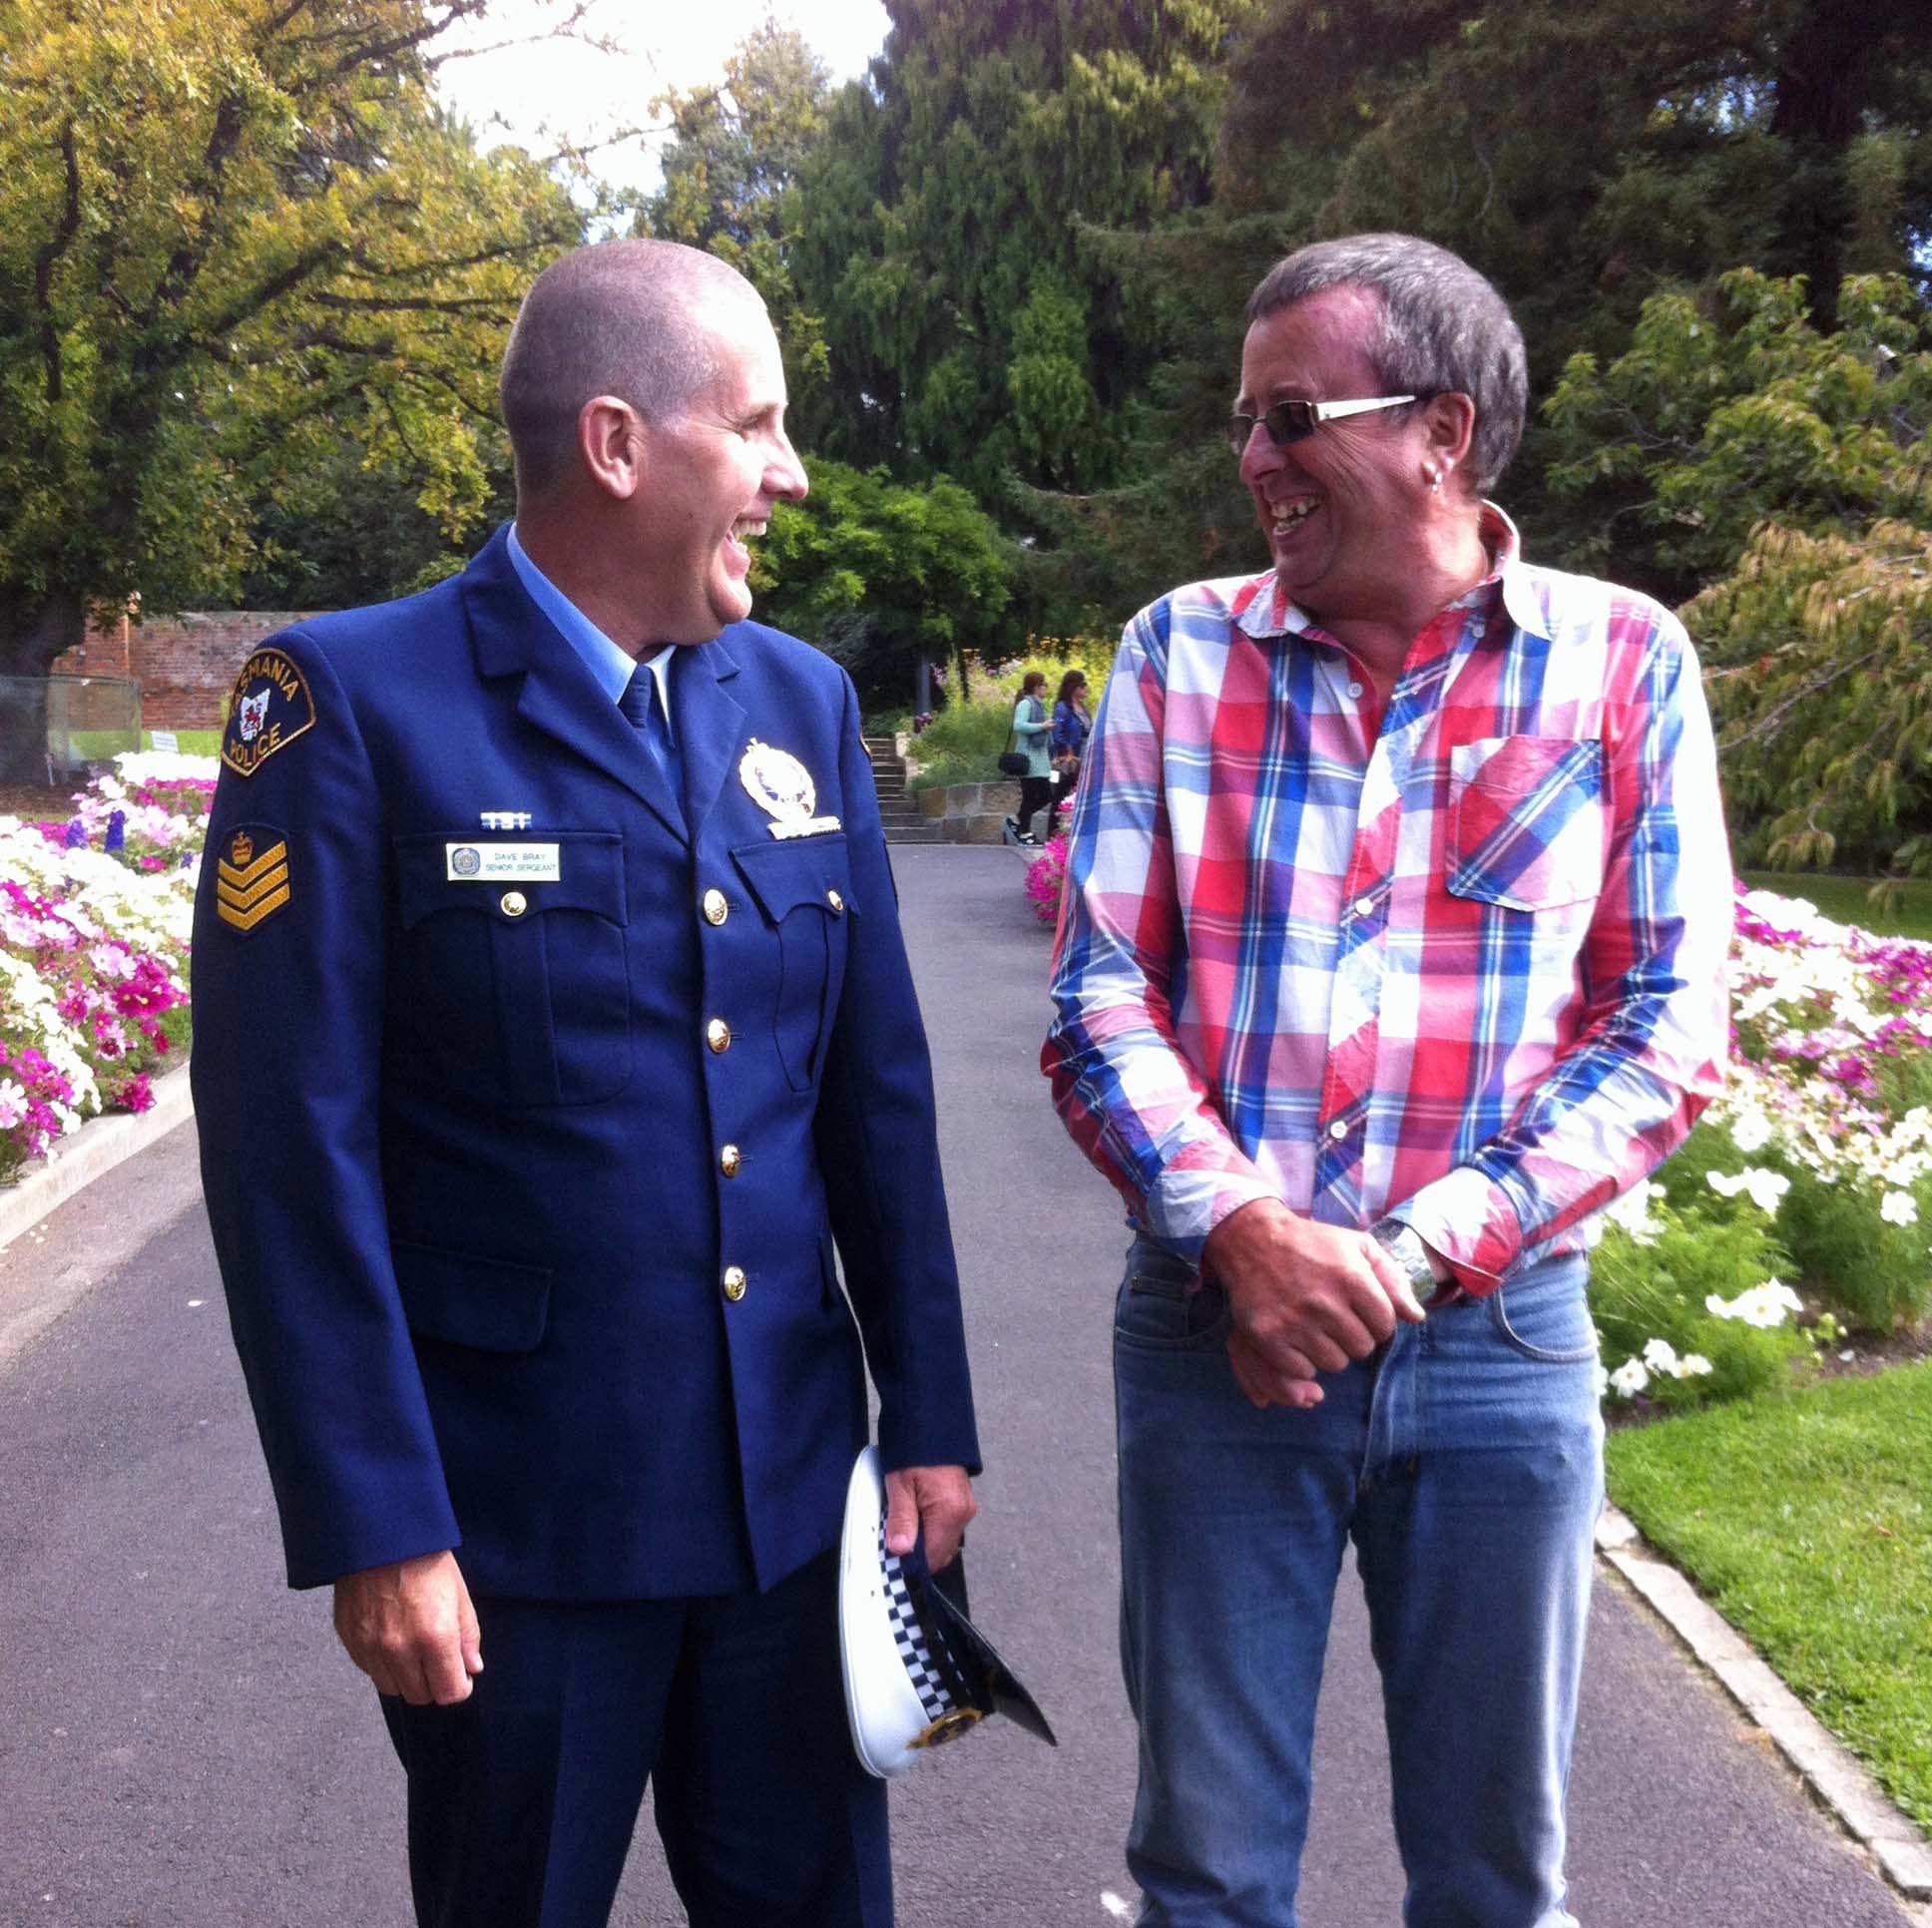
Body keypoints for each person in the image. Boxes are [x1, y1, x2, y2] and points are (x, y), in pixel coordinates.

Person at [191, 238, 980, 1928]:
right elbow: (286, 1151)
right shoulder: (343, 701)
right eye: (758, 427)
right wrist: (374, 1521)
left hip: (786, 1509)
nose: (793, 473)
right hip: (514, 1539)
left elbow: (876, 1094)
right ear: (617, 446)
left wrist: (929, 1417)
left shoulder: (804, 700)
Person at [1043, 233, 1731, 1926]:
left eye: (1289, 417)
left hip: (1494, 1341)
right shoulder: (1176, 654)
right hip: (1216, 1331)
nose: (1253, 459)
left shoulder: (1620, 661)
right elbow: (1100, 993)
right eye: (1245, 422)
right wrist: (1245, 1233)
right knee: (1205, 1867)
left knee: (1498, 1875)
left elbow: (1665, 1025)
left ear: (1439, 427)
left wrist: (1415, 1252)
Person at [1003, 671, 1054, 846]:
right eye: (1044, 685)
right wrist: (1042, 726)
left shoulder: (1040, 705)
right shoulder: (1025, 704)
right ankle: (1025, 832)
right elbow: (1018, 725)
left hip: (1041, 758)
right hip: (1028, 757)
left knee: (1046, 795)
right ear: (1036, 687)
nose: (1046, 688)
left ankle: (1017, 820)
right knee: (1030, 796)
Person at [1048, 670, 1091, 835]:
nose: (1085, 689)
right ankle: (1053, 833)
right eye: (1082, 685)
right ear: (1073, 687)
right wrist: (1067, 749)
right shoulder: (1063, 708)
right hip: (1068, 759)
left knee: (1076, 793)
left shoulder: (1083, 708)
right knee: (1060, 794)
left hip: (1083, 756)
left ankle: (1070, 831)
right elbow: (1057, 732)